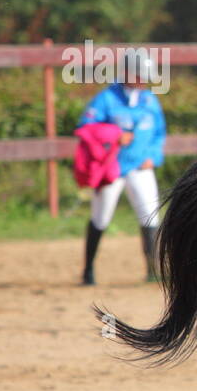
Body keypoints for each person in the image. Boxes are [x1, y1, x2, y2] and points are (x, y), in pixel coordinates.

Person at [77, 54, 167, 285]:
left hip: (141, 167)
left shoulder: (150, 101)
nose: (145, 82)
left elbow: (159, 133)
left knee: (150, 216)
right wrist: (115, 135)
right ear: (127, 74)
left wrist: (153, 157)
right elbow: (86, 129)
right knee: (101, 218)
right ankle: (88, 270)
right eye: (140, 76)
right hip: (112, 169)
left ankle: (152, 270)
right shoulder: (106, 99)